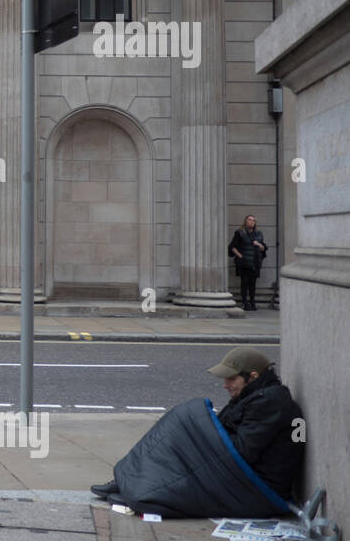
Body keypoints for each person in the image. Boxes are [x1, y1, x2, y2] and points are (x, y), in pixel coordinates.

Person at [92, 347, 304, 504]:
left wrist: (200, 435)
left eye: (231, 379)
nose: (225, 385)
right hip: (240, 476)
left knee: (181, 430)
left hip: (258, 488)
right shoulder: (252, 395)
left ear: (253, 377)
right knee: (174, 438)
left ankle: (134, 483)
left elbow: (241, 453)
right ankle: (128, 478)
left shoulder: (269, 402)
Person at [229, 214, 267, 311]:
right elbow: (232, 247)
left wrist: (260, 245)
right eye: (249, 220)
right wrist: (241, 256)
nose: (251, 222)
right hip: (244, 263)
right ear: (245, 221)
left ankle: (253, 302)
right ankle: (245, 302)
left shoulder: (258, 234)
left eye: (253, 220)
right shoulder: (240, 233)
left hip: (255, 262)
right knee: (244, 283)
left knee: (253, 283)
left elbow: (264, 248)